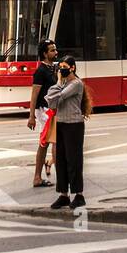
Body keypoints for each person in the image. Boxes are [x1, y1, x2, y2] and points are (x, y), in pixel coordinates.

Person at [45, 54, 92, 210]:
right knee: (61, 160)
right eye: (61, 67)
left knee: (74, 160)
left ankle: (79, 195)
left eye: (65, 67)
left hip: (74, 125)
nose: (62, 70)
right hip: (62, 123)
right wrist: (58, 84)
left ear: (73, 68)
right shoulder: (63, 84)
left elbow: (60, 96)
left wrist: (58, 82)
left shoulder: (77, 84)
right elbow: (51, 100)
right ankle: (63, 194)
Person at [27, 39, 58, 187]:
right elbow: (34, 95)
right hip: (44, 111)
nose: (55, 52)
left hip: (52, 110)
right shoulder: (41, 71)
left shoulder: (53, 68)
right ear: (44, 54)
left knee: (47, 143)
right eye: (52, 50)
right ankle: (38, 177)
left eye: (55, 49)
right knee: (50, 142)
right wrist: (31, 116)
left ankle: (39, 177)